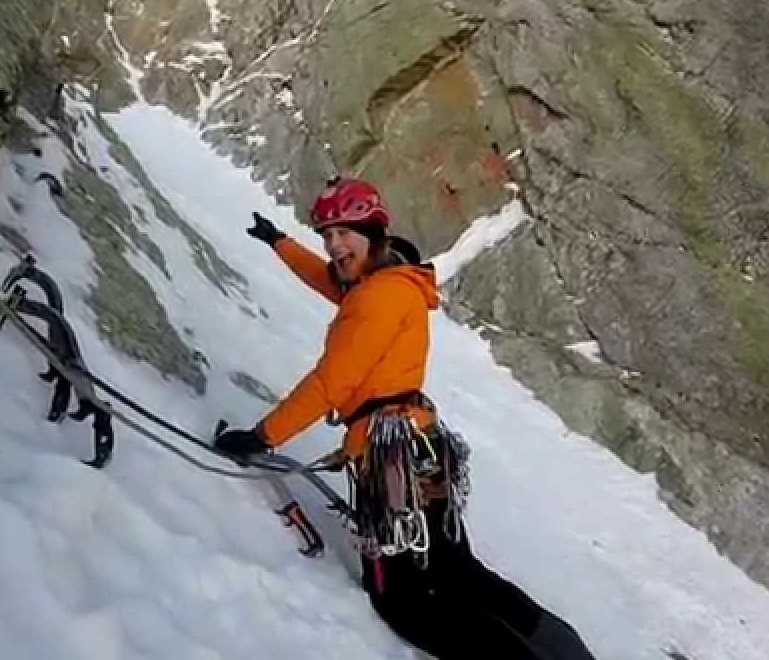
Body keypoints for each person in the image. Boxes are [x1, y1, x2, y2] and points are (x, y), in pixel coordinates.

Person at [214, 176, 596, 660]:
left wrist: (262, 437)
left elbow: (332, 382)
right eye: (327, 235)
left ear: (371, 232)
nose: (333, 245)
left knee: (401, 601)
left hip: (390, 459)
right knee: (457, 573)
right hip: (421, 447)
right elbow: (333, 284)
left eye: (343, 233)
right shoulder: (388, 283)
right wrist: (280, 243)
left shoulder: (376, 296)